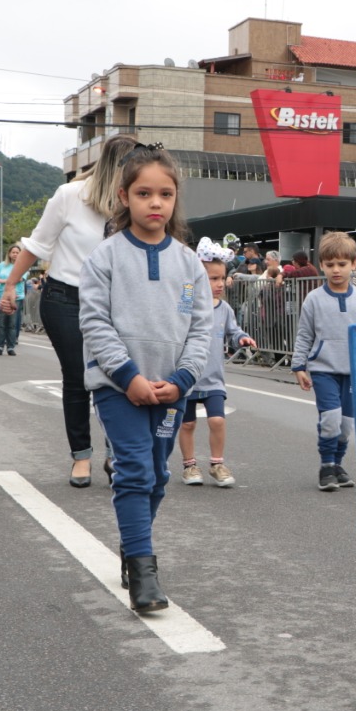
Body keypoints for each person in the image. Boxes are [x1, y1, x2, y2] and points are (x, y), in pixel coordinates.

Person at [79, 146, 211, 613]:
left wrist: (183, 378)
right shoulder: (105, 258)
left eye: (165, 194)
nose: (155, 203)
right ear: (123, 196)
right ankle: (143, 571)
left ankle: (131, 548)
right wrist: (128, 376)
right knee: (134, 470)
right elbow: (94, 323)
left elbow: (201, 327)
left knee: (157, 475)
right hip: (118, 388)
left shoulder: (190, 262)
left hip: (172, 390)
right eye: (144, 193)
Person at [0, 133, 139, 487]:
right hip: (65, 297)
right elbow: (37, 244)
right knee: (78, 377)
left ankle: (116, 454)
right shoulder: (69, 196)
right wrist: (12, 283)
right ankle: (81, 456)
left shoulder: (134, 199)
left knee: (118, 378)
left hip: (115, 301)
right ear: (114, 168)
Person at [291, 231, 356, 492]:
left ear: (353, 264)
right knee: (331, 418)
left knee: (346, 425)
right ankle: (326, 465)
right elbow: (305, 333)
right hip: (323, 370)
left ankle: (338, 464)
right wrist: (299, 366)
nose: (336, 270)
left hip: (353, 372)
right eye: (330, 265)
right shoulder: (314, 299)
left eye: (342, 264)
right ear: (322, 266)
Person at [179, 238, 257, 488]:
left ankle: (216, 464)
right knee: (187, 422)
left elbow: (233, 332)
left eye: (222, 278)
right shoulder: (186, 306)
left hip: (213, 378)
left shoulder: (224, 309)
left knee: (217, 420)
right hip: (187, 377)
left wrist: (242, 338)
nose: (220, 284)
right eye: (213, 279)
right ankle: (190, 466)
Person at [0, 244, 28, 356]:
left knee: (12, 324)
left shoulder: (23, 265)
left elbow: (19, 279)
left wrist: (3, 281)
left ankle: (10, 347)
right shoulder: (2, 265)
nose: (15, 254)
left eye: (17, 252)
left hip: (16, 297)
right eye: (13, 252)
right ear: (9, 254)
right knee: (1, 323)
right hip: (1, 297)